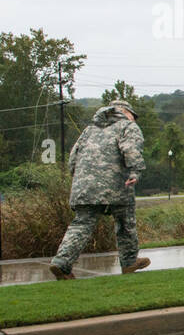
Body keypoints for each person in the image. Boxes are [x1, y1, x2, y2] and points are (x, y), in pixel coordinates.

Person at [49, 99, 151, 280]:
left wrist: (79, 180)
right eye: (133, 116)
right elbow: (131, 150)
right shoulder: (127, 127)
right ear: (124, 112)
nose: (134, 120)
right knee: (125, 221)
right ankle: (129, 262)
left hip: (84, 186)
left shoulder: (89, 130)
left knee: (81, 224)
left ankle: (62, 263)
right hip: (116, 185)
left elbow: (73, 158)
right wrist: (135, 172)